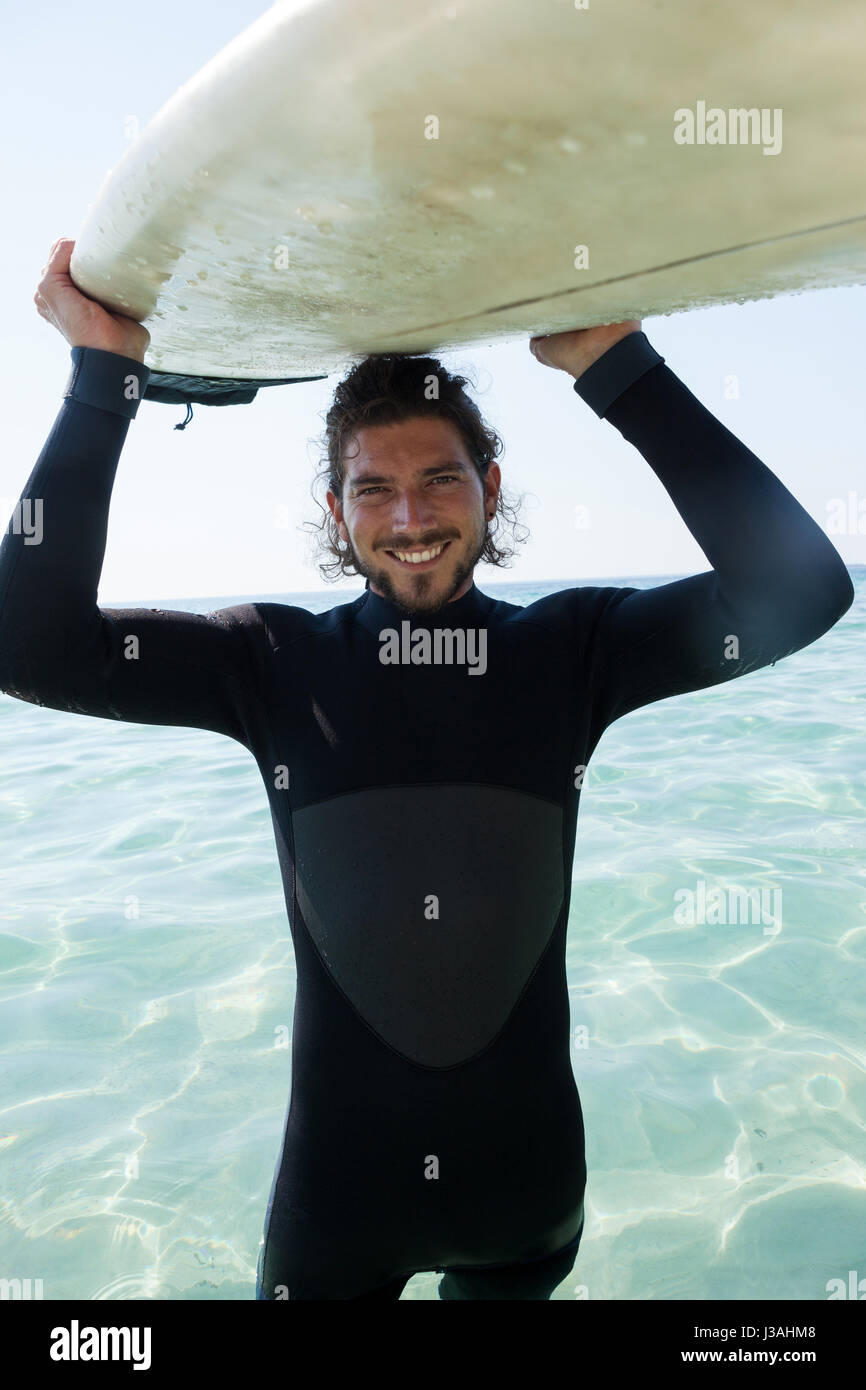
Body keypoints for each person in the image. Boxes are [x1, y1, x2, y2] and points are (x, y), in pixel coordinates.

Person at [0, 238, 853, 1299]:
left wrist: (617, 366)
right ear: (335, 510)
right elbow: (31, 650)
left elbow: (802, 592)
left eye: (439, 479)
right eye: (374, 489)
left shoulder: (571, 653)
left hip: (525, 1199)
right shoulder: (268, 664)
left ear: (489, 488)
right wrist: (102, 379)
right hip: (336, 1206)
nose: (409, 519)